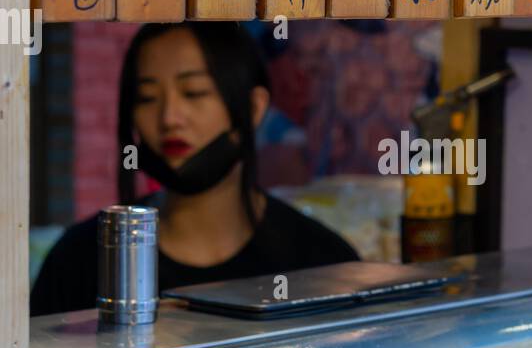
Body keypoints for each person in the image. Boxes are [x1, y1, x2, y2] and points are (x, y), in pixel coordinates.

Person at [31, 22, 358, 316]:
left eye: (194, 93)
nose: (169, 117)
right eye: (147, 98)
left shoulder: (321, 260)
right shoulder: (79, 258)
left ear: (253, 107)